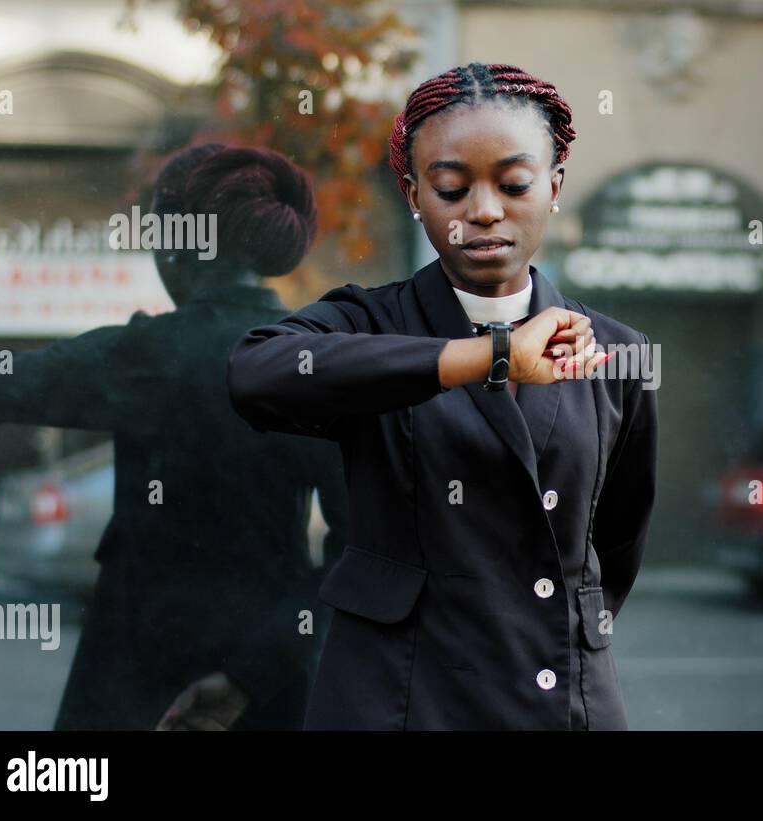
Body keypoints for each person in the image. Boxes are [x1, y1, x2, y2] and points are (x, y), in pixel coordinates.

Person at [227, 62, 660, 730]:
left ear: (554, 184)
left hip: (560, 693)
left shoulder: (612, 351)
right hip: (396, 699)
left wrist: (569, 624)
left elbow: (615, 546)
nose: (484, 210)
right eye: (452, 187)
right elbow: (257, 373)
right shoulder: (369, 321)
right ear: (413, 193)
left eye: (514, 183)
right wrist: (488, 355)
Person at [0, 144, 348, 730]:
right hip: (269, 687)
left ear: (176, 244)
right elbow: (365, 548)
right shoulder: (317, 366)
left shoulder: (143, 354)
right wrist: (254, 672)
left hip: (134, 672)